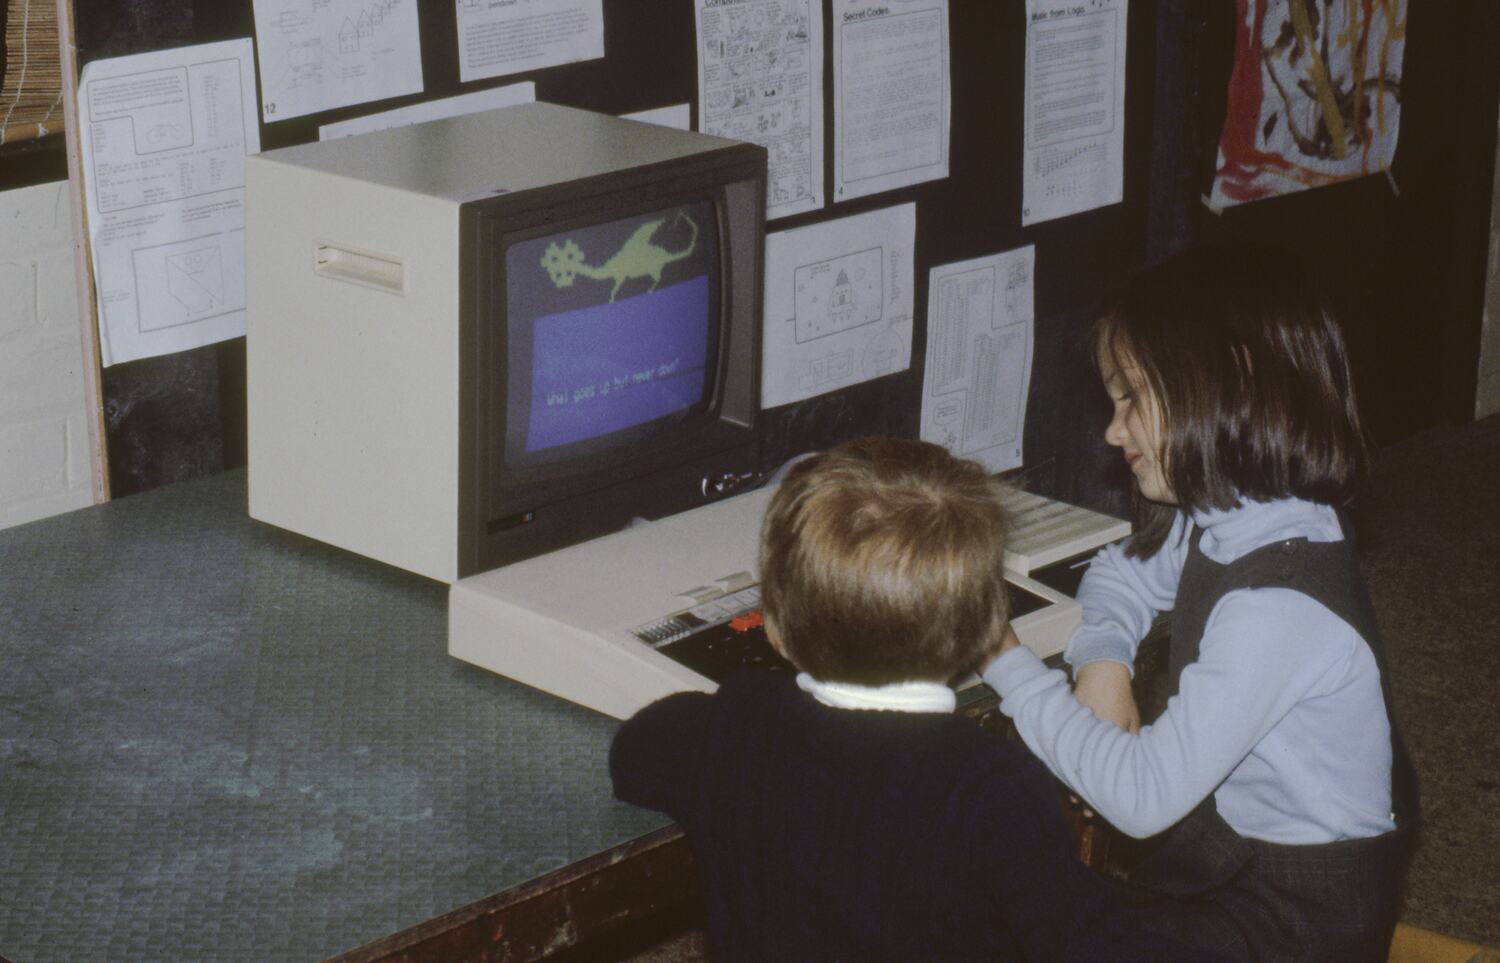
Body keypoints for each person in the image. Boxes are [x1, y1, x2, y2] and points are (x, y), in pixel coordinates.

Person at [611, 437, 1217, 962]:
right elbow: (1092, 945)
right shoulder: (991, 783)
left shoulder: (738, 721)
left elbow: (634, 752)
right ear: (985, 629)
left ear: (775, 627)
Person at [983, 243, 1414, 962]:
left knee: (1009, 917)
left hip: (1300, 920)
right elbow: (1122, 574)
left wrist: (1005, 659)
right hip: (1235, 855)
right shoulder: (1236, 512)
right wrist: (1103, 661)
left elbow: (1143, 796)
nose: (1112, 430)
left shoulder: (1276, 606)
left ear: (1227, 385)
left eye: (1132, 399)